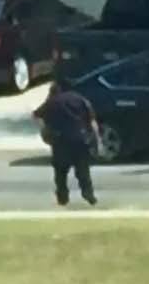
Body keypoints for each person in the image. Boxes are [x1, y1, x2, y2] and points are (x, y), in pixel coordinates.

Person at [32, 78, 100, 207]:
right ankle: (89, 195)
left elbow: (36, 116)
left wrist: (44, 131)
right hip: (81, 139)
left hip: (60, 140)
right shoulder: (81, 100)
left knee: (61, 172)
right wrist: (96, 140)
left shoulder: (52, 102)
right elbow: (92, 121)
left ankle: (63, 198)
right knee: (83, 171)